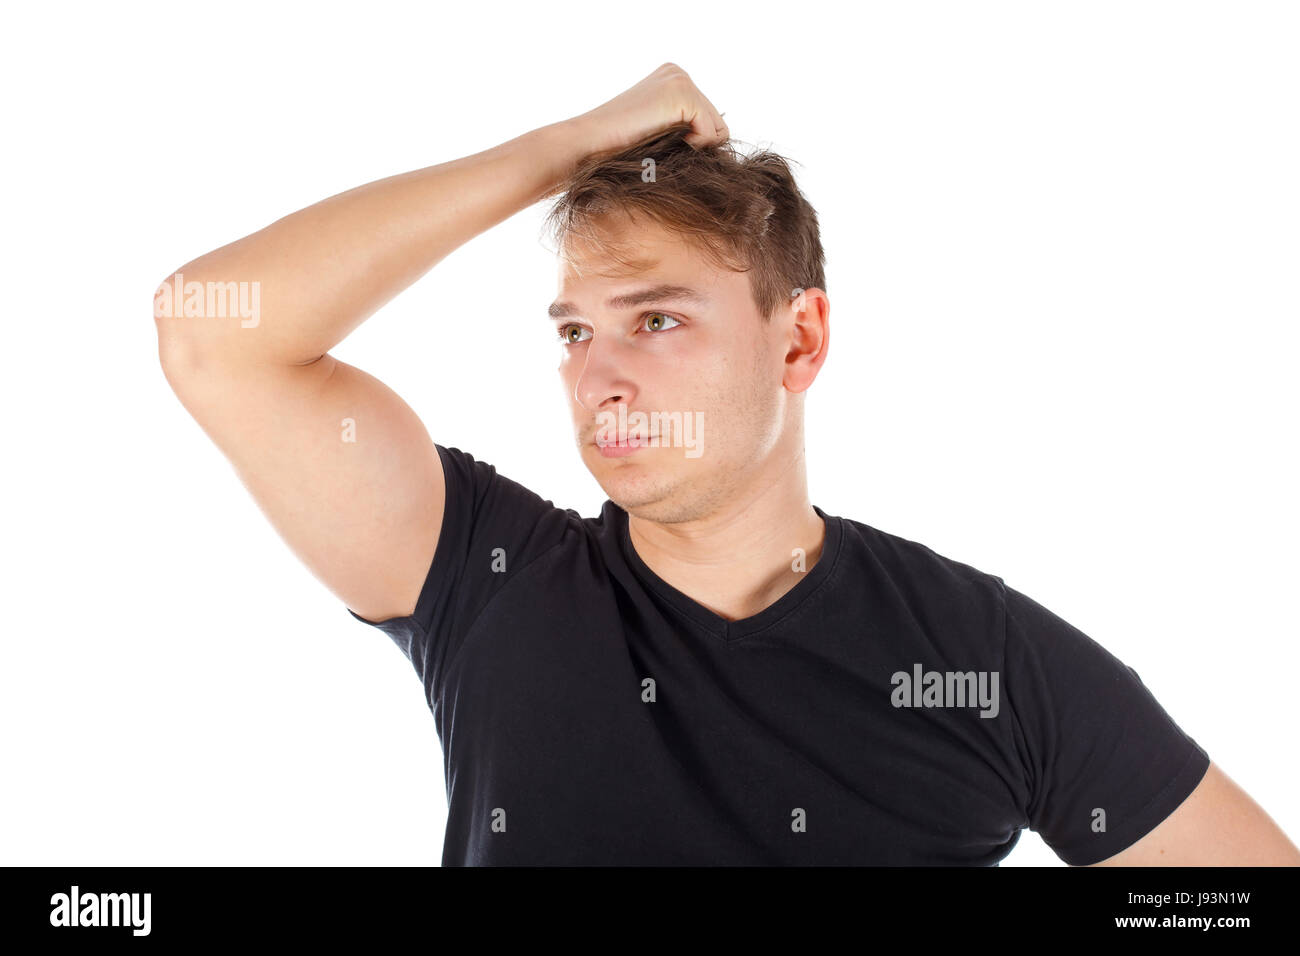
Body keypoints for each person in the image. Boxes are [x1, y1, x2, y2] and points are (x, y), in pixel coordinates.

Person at [154, 63, 1299, 866]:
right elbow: (216, 332)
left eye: (655, 320)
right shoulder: (484, 579)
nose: (598, 375)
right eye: (573, 330)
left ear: (797, 338)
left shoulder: (984, 659)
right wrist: (562, 149)